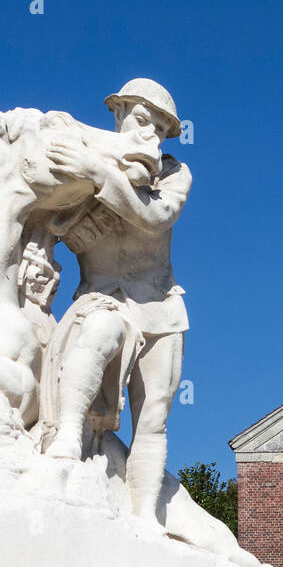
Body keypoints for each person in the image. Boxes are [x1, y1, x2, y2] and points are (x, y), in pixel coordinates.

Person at [42, 78, 190, 527]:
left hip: (159, 307)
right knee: (97, 334)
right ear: (119, 112)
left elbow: (154, 217)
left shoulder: (173, 173)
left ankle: (145, 518)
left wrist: (100, 175)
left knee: (154, 417)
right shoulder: (84, 156)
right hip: (101, 298)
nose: (152, 135)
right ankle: (66, 438)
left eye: (162, 130)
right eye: (143, 120)